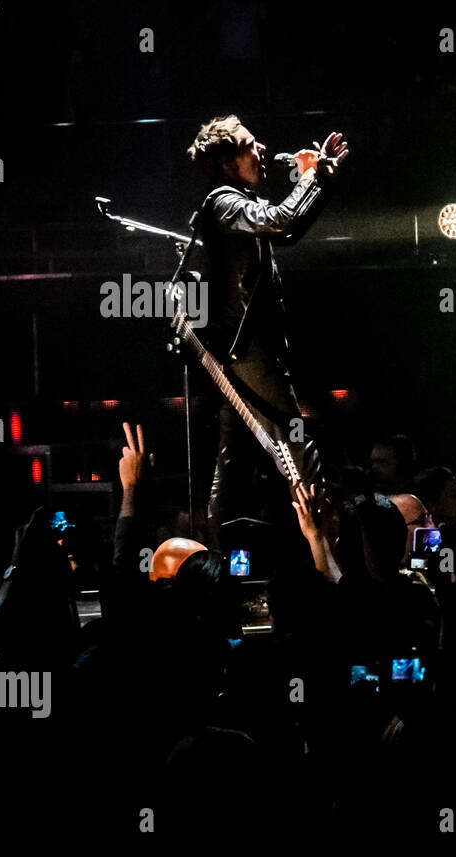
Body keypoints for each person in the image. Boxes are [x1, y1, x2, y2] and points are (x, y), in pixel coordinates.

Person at [186, 115, 349, 548]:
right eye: (249, 145)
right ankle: (329, 552)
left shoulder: (235, 202)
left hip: (242, 351)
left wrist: (320, 180)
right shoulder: (223, 202)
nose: (260, 151)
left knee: (232, 458)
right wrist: (311, 178)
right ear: (225, 160)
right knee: (297, 447)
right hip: (249, 353)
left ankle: (216, 561)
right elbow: (281, 220)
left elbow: (287, 229)